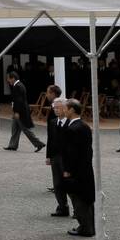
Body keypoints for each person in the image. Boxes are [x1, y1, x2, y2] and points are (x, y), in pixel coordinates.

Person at [60, 99, 95, 237]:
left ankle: (85, 228)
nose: (64, 111)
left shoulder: (72, 129)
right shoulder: (85, 126)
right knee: (87, 199)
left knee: (78, 200)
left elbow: (71, 153)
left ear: (72, 110)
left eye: (66, 108)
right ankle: (90, 226)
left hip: (76, 170)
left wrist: (67, 170)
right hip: (86, 168)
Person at [3, 70, 45, 152]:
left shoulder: (18, 86)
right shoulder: (18, 85)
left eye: (8, 79)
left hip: (20, 112)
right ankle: (12, 145)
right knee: (14, 128)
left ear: (13, 78)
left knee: (25, 129)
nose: (7, 81)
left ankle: (39, 143)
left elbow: (19, 101)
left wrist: (17, 112)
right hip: (17, 111)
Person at [44, 89, 70, 218]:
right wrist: (48, 156)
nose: (56, 110)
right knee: (57, 183)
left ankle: (77, 209)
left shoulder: (71, 123)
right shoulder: (53, 123)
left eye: (59, 108)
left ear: (65, 109)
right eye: (55, 108)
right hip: (55, 156)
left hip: (68, 158)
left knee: (70, 183)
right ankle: (62, 207)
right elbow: (50, 139)